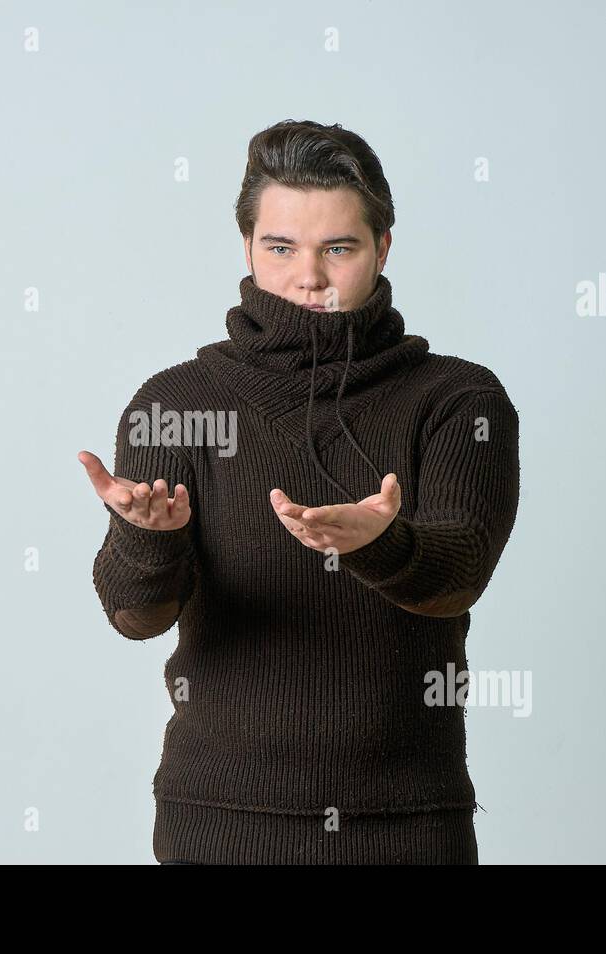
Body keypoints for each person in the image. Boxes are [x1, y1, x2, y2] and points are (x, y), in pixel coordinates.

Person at [77, 119, 520, 865]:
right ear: (248, 247)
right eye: (280, 247)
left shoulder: (457, 400)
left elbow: (457, 574)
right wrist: (147, 536)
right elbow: (134, 616)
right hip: (219, 821)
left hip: (405, 826)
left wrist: (383, 543)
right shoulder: (178, 406)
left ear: (382, 247)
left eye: (337, 248)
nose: (307, 276)